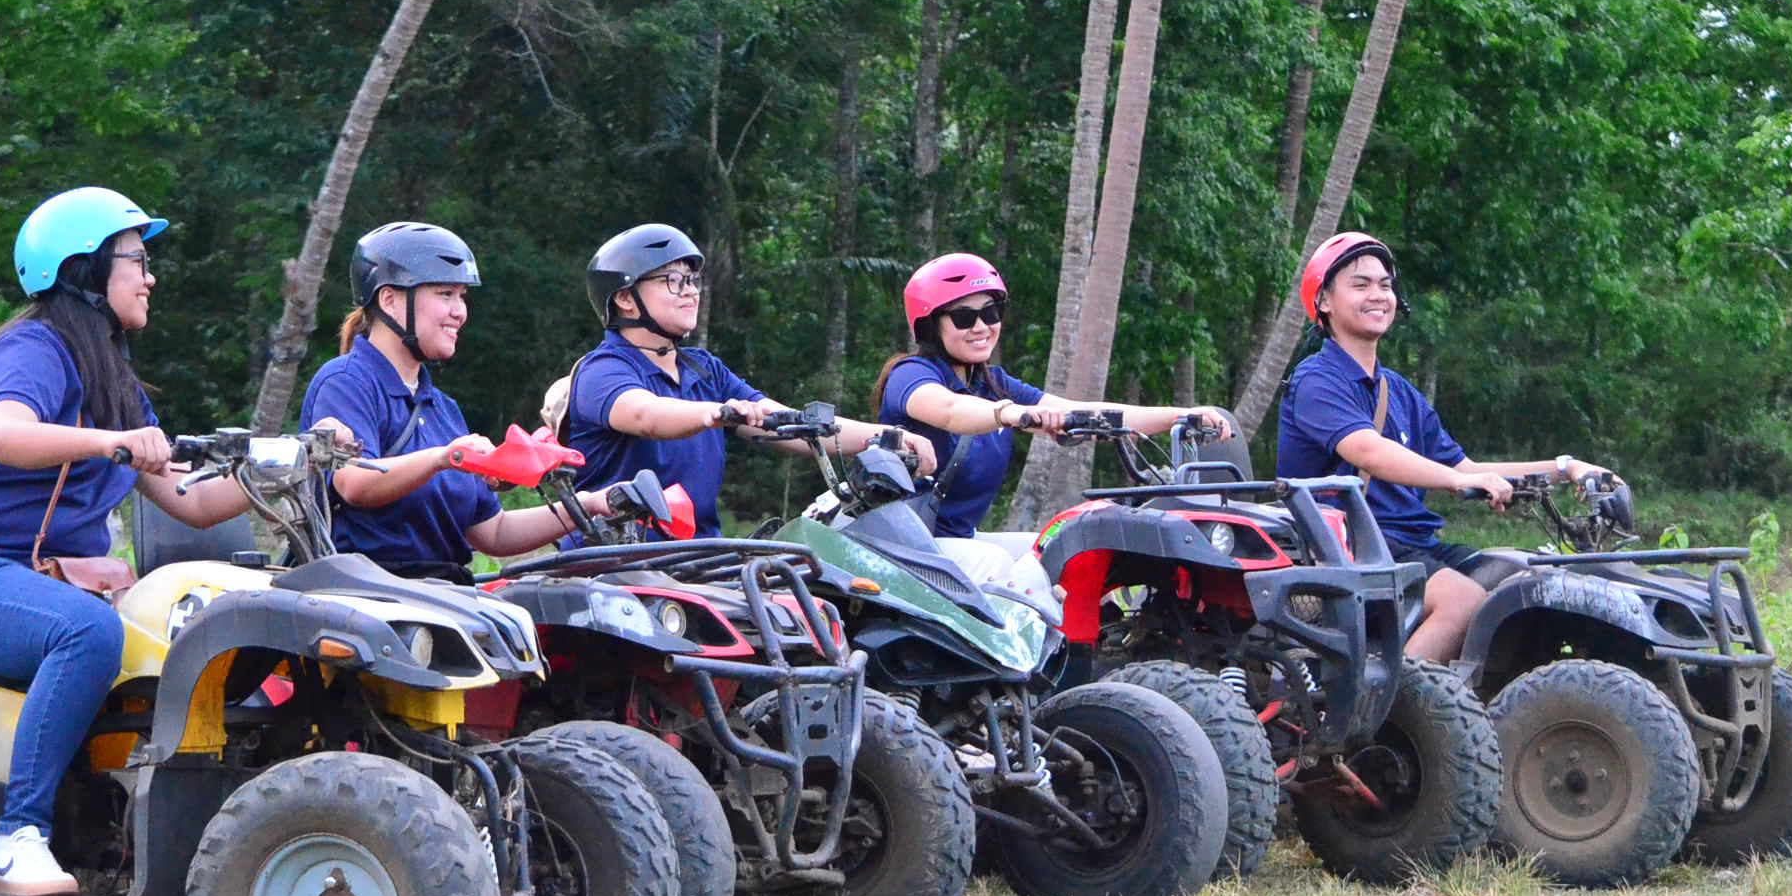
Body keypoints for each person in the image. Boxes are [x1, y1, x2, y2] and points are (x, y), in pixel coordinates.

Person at [0, 186, 258, 896]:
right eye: (137, 260)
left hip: (31, 582)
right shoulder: (35, 348)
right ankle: (16, 839)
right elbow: (7, 434)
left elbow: (197, 500)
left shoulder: (118, 384)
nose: (151, 277)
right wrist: (113, 442)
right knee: (89, 633)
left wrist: (301, 469)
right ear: (86, 271)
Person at [1275, 231, 1610, 660]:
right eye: (1360, 285)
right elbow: (1368, 452)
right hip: (1344, 551)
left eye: (1385, 284)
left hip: (1411, 546)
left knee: (1522, 582)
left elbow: (1467, 467)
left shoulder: (1398, 391)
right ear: (1324, 301)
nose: (1378, 295)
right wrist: (1454, 481)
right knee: (1462, 602)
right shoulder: (1316, 379)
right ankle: (1391, 715)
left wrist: (1568, 468)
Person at [560, 223, 932, 538]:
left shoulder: (704, 369)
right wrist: (715, 414)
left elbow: (795, 424)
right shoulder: (603, 369)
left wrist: (884, 437)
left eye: (692, 280)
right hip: (613, 559)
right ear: (625, 298)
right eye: (673, 280)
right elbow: (645, 415)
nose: (690, 290)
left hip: (696, 557)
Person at [304, 222, 615, 571]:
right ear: (389, 299)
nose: (460, 311)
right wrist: (444, 457)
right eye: (444, 294)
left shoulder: (442, 409)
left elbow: (493, 533)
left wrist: (589, 504)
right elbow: (354, 483)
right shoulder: (346, 382)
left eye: (461, 296)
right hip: (368, 595)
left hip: (446, 595)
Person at [873, 251, 1237, 543]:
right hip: (911, 547)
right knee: (1023, 578)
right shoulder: (910, 376)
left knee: (1066, 551)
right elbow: (951, 411)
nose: (982, 326)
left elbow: (1082, 411)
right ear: (930, 325)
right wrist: (1010, 414)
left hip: (961, 540)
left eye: (990, 312)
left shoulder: (994, 383)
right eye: (964, 317)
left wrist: (1181, 416)